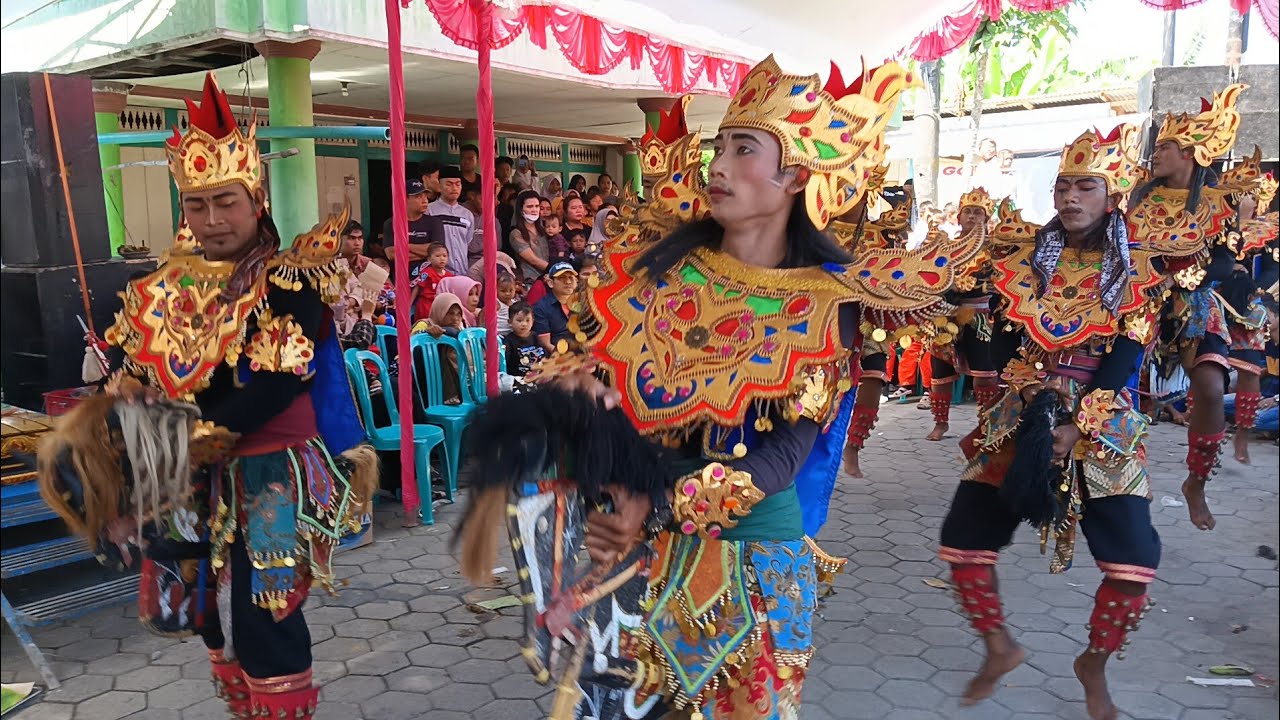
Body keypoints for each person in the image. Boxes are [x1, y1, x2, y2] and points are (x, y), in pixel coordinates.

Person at [455, 57, 979, 719]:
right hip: (643, 551)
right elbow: (618, 393)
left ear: (795, 176)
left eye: (744, 149)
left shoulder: (827, 300)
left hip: (750, 563)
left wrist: (655, 504)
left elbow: (786, 453)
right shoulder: (662, 271)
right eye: (719, 147)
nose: (719, 166)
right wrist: (597, 449)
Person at [38, 73, 374, 718]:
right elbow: (137, 369)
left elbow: (275, 386)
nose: (213, 219)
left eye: (226, 201)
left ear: (255, 198)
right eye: (197, 205)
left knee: (266, 615)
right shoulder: (162, 285)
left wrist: (176, 443)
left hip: (271, 471)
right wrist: (123, 407)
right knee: (201, 613)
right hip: (189, 472)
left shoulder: (290, 282)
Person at [939, 125, 1166, 720]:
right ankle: (999, 646)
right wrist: (1028, 394)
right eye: (1063, 186)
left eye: (1085, 187)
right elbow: (1005, 342)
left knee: (1134, 562)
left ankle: (1094, 661)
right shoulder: (1022, 262)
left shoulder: (1137, 269)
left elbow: (1126, 354)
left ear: (1111, 196)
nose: (1069, 197)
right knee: (963, 539)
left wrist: (1079, 425)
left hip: (1103, 418)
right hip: (1025, 409)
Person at [1127, 84, 1259, 531]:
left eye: (1164, 147)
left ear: (1189, 154)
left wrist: (1183, 278)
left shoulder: (1217, 201)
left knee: (1209, 388)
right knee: (1113, 389)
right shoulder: (1139, 198)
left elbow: (1224, 259)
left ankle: (1196, 482)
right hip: (1137, 303)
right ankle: (1119, 475)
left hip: (1194, 304)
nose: (1156, 153)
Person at [924, 187, 1002, 441]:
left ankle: (985, 424)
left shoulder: (996, 249)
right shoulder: (946, 247)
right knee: (940, 371)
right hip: (945, 315)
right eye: (967, 212)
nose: (971, 216)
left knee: (985, 373)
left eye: (978, 213)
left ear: (986, 218)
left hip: (981, 314)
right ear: (958, 217)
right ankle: (940, 423)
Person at [383, 178, 446, 277]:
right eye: (418, 197)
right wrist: (427, 253)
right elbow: (392, 254)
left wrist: (403, 246)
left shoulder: (435, 222)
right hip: (400, 278)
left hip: (429, 279)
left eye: (425, 196)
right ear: (404, 199)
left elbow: (438, 252)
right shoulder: (392, 223)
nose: (425, 200)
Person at [430, 167, 477, 276]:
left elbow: (467, 241)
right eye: (449, 184)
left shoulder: (467, 215)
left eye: (458, 184)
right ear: (439, 186)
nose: (454, 188)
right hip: (437, 273)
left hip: (462, 272)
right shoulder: (430, 211)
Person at [532, 260, 578, 353]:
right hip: (556, 356)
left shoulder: (584, 303)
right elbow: (546, 344)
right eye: (562, 278)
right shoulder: (541, 307)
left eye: (571, 277)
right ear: (550, 283)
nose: (568, 281)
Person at [509, 190, 550, 285]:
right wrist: (555, 269)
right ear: (521, 210)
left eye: (537, 206)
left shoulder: (544, 230)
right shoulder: (516, 234)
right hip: (530, 281)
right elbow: (533, 260)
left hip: (550, 279)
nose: (534, 210)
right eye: (530, 206)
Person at [409, 242, 453, 322]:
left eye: (444, 256)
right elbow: (417, 288)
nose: (442, 259)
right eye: (437, 256)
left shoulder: (450, 276)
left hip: (442, 306)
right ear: (429, 259)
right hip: (426, 305)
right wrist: (409, 304)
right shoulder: (426, 273)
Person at [502, 300, 545, 377]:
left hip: (537, 374)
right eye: (519, 320)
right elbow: (506, 363)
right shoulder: (508, 341)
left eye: (528, 320)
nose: (524, 324)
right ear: (510, 321)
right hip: (517, 377)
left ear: (533, 321)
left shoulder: (534, 336)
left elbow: (542, 355)